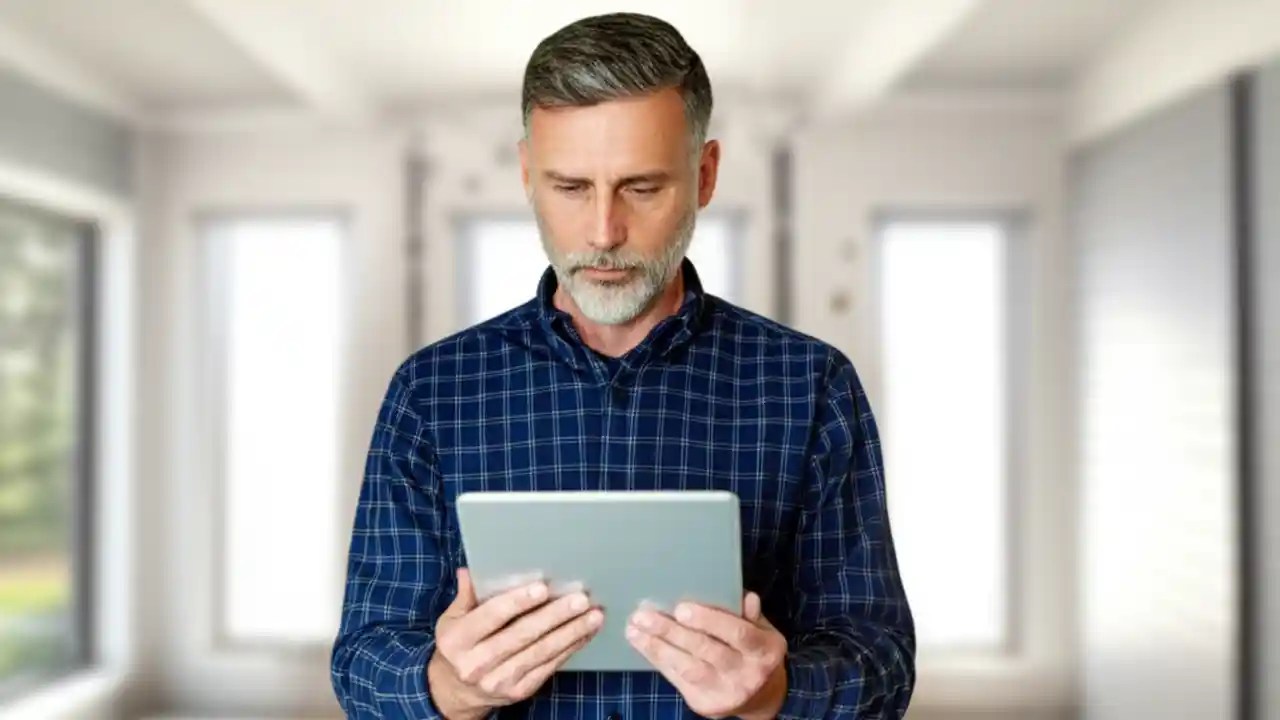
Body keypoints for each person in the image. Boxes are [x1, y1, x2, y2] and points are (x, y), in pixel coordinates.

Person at [330, 12, 914, 719]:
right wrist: (448, 686)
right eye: (571, 188)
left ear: (704, 175)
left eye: (641, 188)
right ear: (526, 175)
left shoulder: (812, 386)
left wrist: (776, 692)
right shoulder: (430, 391)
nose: (603, 233)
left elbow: (880, 660)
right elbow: (362, 658)